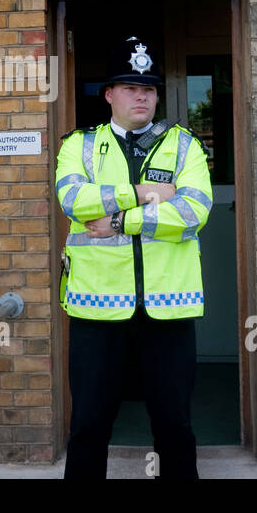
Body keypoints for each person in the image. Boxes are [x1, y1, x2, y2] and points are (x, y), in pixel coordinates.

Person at [54, 36, 212, 479]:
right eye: (129, 87)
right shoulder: (79, 145)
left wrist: (121, 221)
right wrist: (141, 194)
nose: (140, 96)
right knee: (88, 426)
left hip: (169, 311)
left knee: (174, 427)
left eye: (148, 88)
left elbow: (194, 211)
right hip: (96, 310)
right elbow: (72, 199)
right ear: (109, 94)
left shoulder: (185, 145)